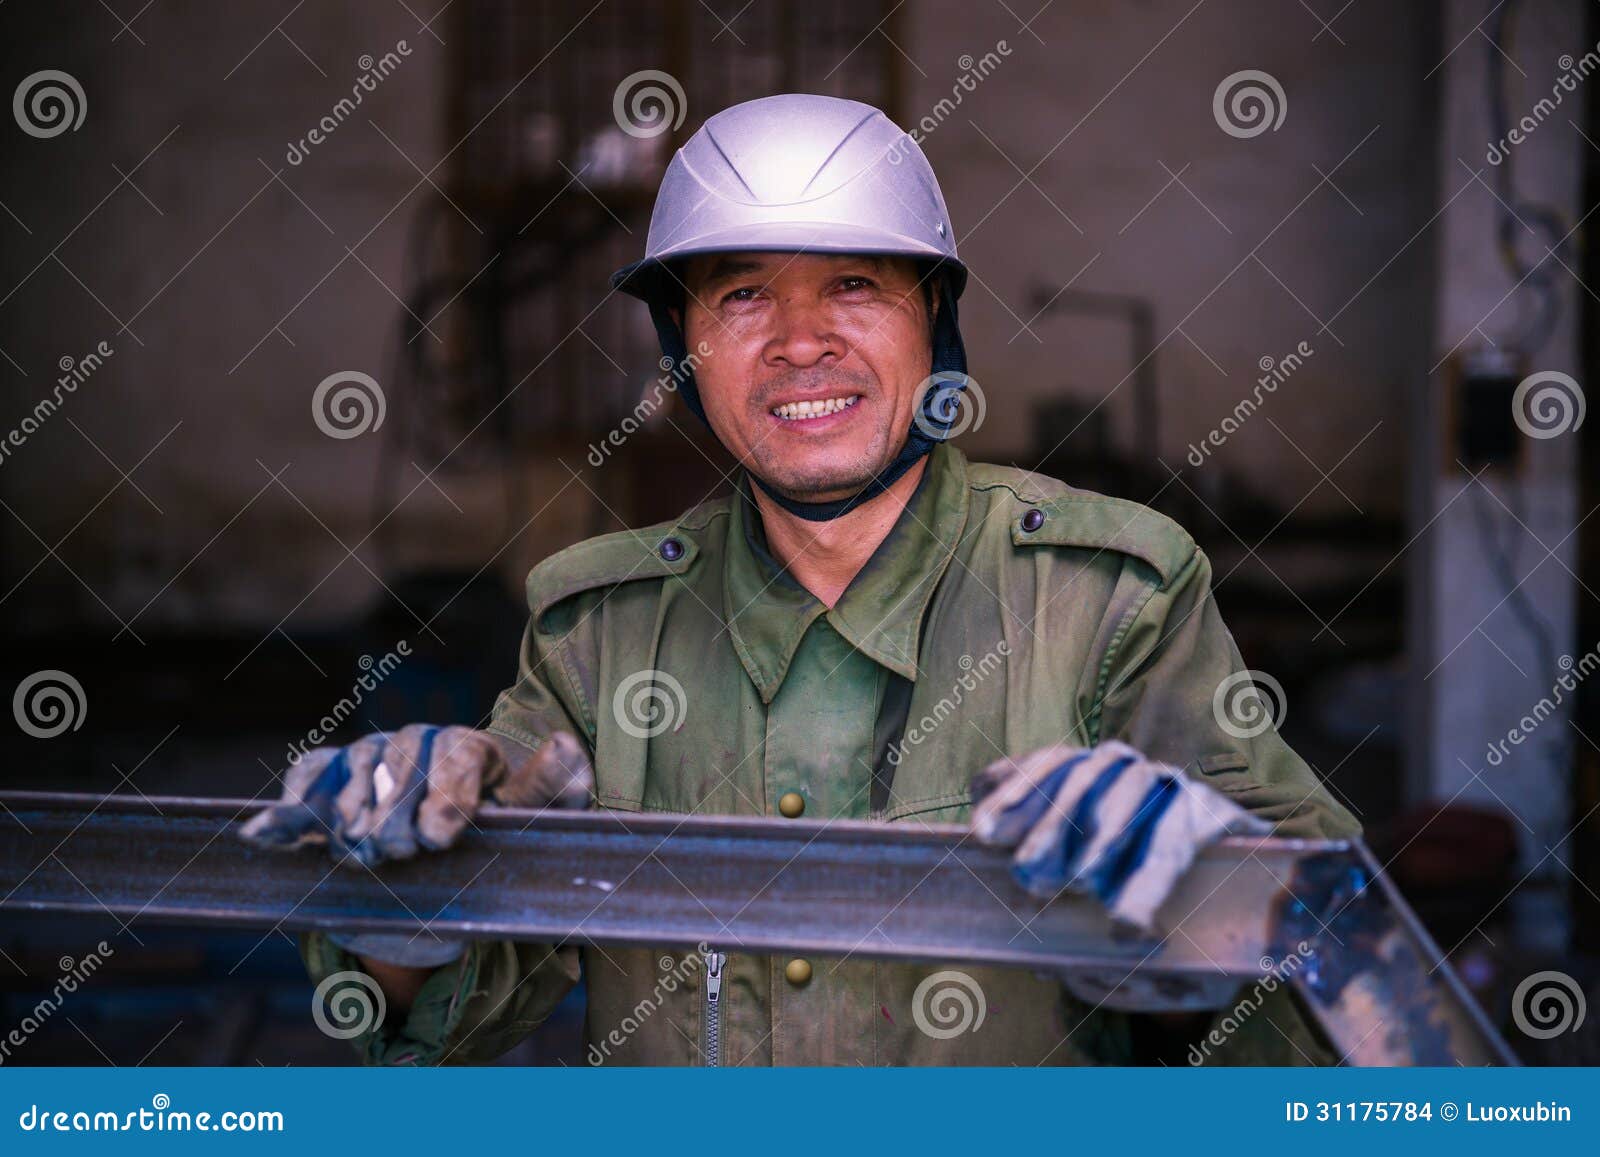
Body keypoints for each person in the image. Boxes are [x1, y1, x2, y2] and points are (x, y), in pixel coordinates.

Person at [243, 93, 1359, 1066]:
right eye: (740, 297)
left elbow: (1340, 1015)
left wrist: (1205, 914)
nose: (799, 340)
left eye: (856, 285)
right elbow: (438, 1020)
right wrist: (405, 898)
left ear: (936, 326)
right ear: (683, 351)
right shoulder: (599, 624)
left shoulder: (1111, 591)